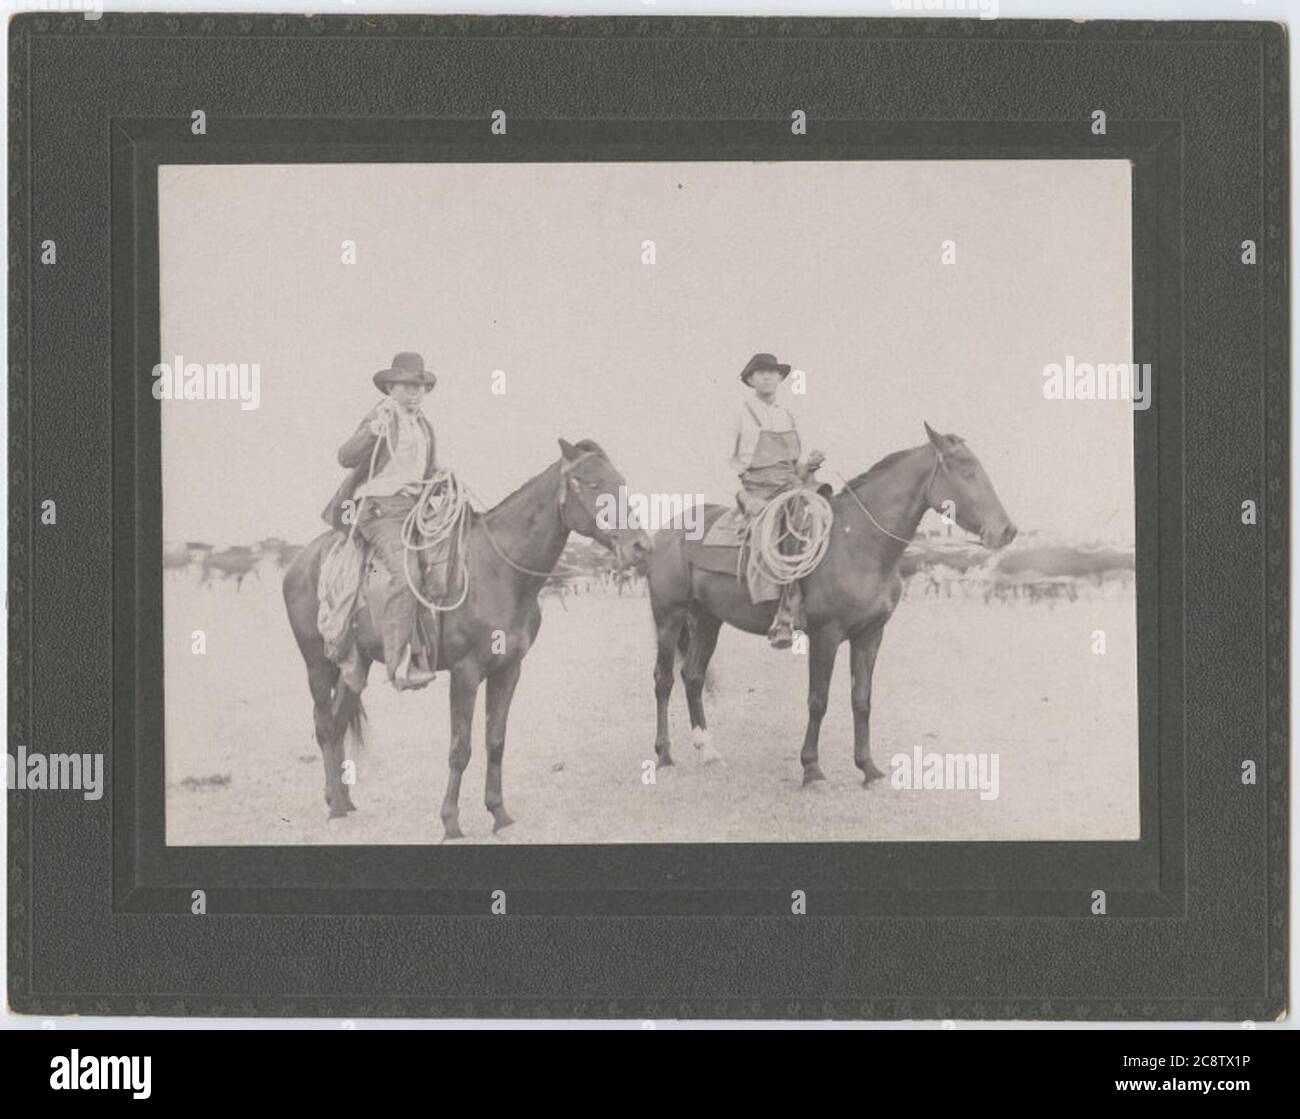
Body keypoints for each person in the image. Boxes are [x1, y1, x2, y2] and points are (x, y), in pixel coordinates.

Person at [321, 352, 447, 690]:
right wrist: (371, 433)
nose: (414, 393)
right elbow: (345, 457)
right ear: (390, 387)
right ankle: (400, 663)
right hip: (379, 509)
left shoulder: (423, 425)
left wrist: (443, 480)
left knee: (446, 566)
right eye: (406, 386)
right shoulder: (382, 415)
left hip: (415, 508)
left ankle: (437, 648)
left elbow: (428, 471)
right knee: (406, 575)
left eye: (419, 386)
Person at [730, 352, 826, 649]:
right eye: (760, 373)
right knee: (770, 533)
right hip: (758, 489)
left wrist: (808, 466)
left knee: (820, 517)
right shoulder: (740, 413)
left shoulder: (788, 415)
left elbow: (791, 465)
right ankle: (783, 617)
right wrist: (745, 497)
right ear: (750, 380)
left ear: (780, 378)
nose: (767, 377)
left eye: (772, 372)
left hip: (791, 483)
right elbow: (723, 464)